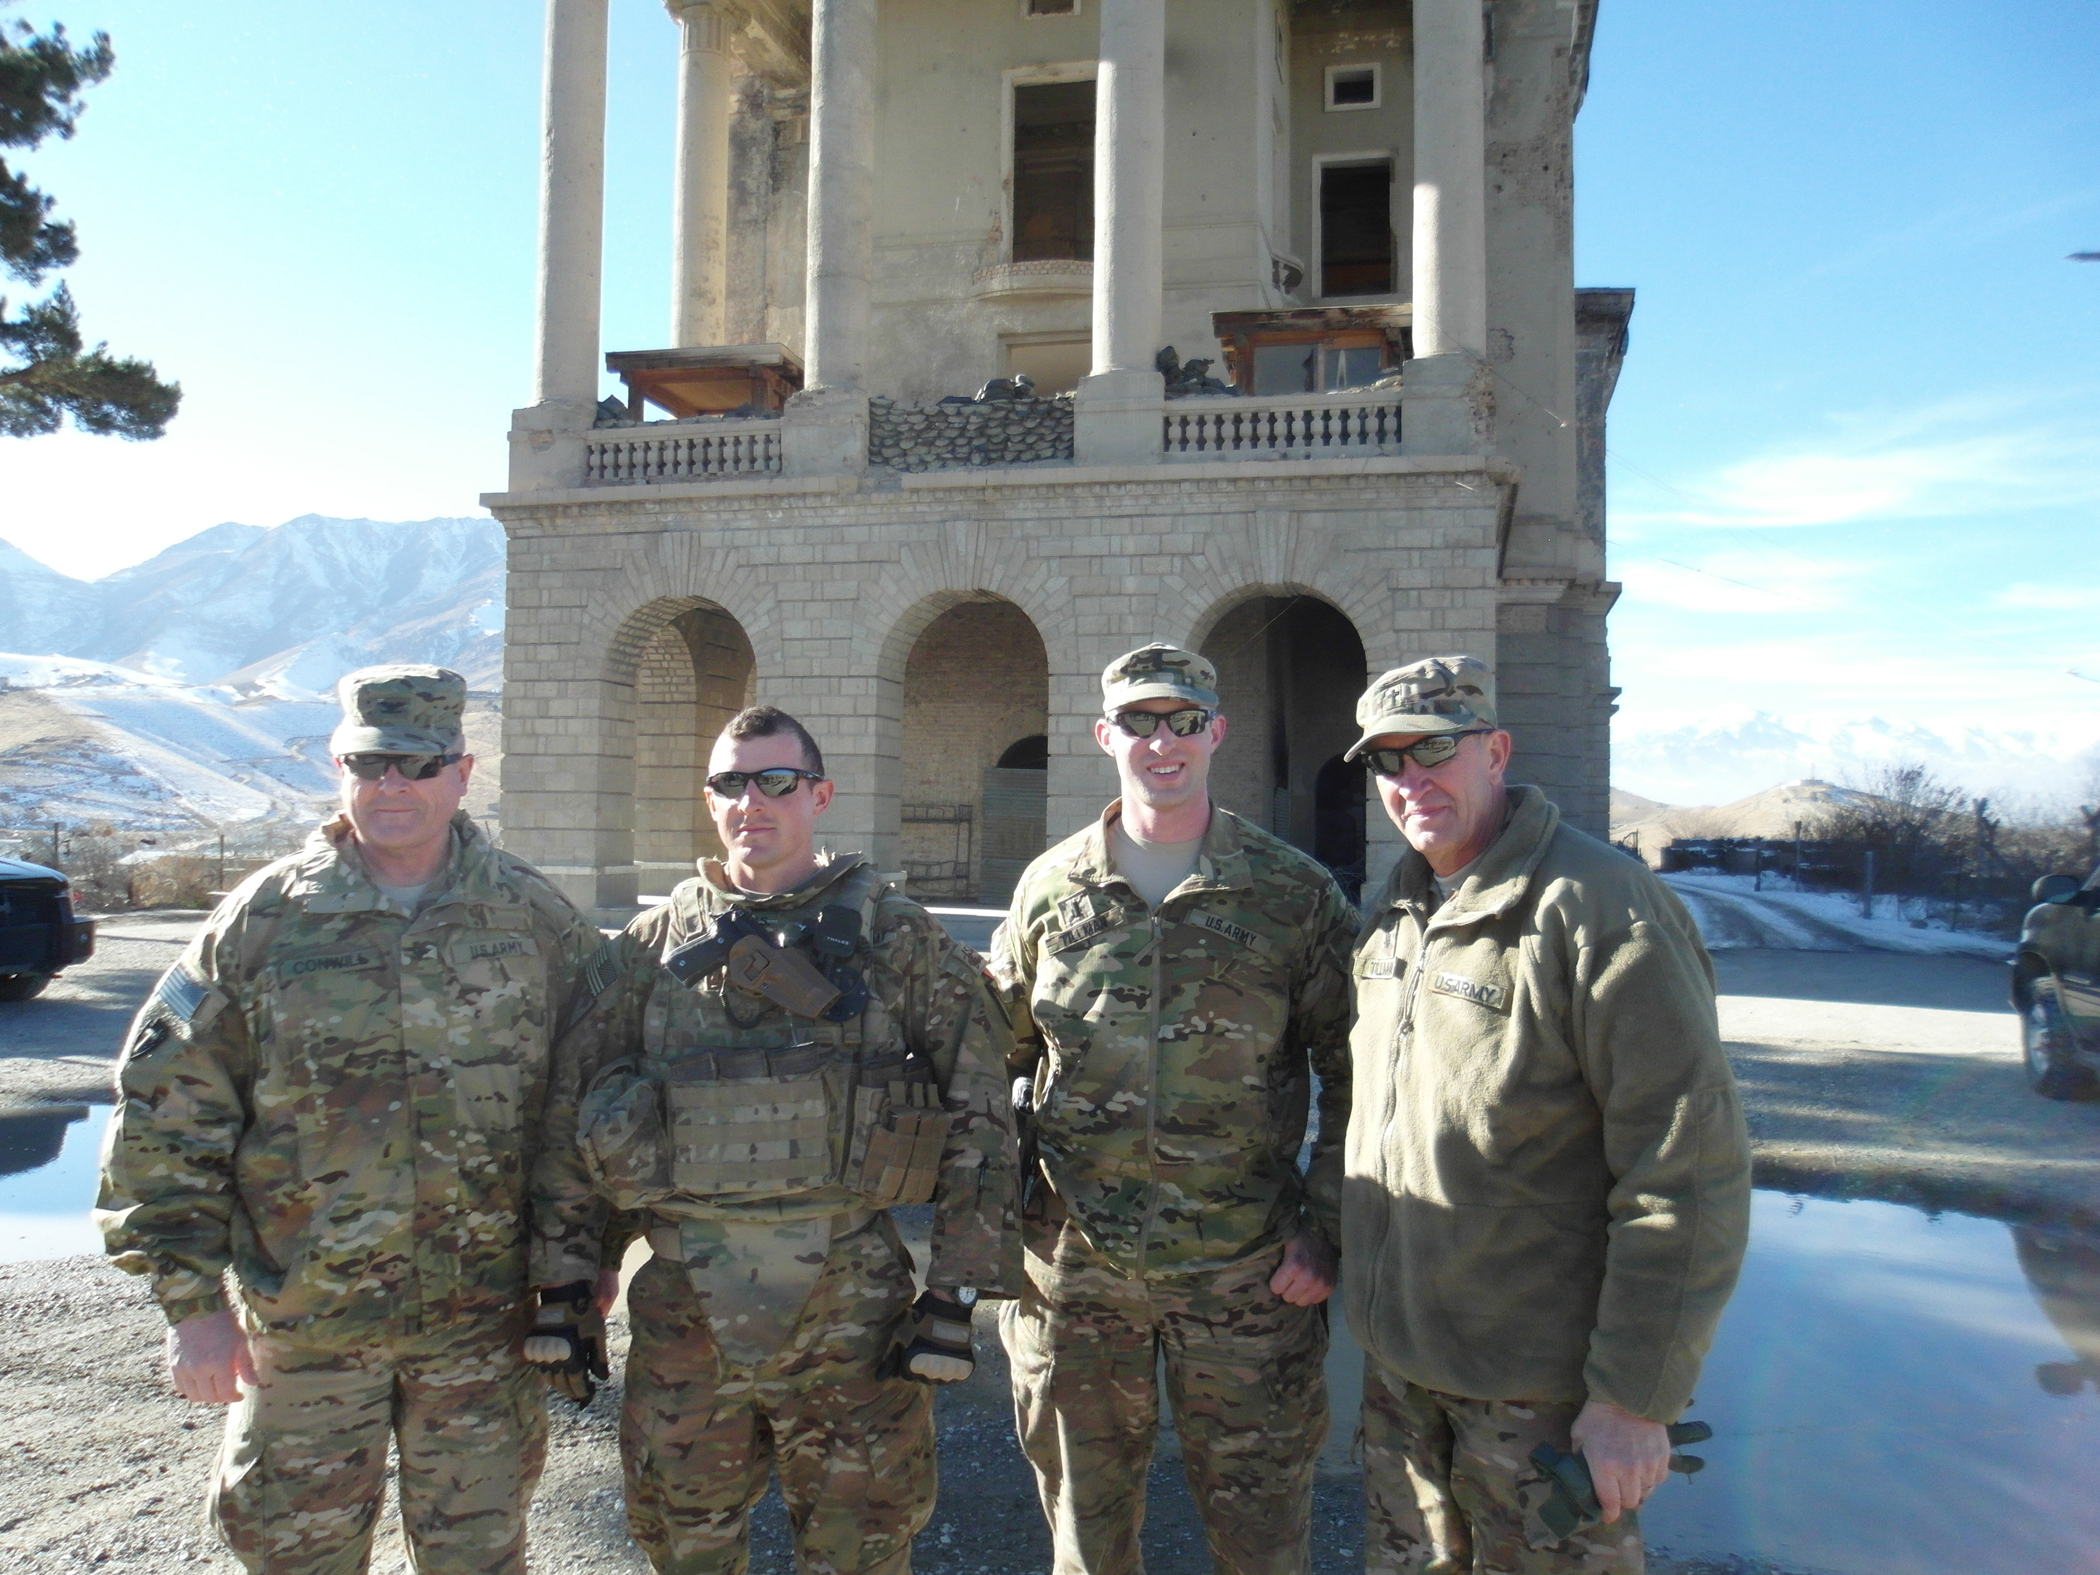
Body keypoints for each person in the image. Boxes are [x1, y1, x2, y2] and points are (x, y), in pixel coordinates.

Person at [96, 664, 607, 1575]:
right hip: (308, 1328)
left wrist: (588, 1259)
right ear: (339, 766)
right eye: (370, 763)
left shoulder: (532, 918)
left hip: (480, 1328)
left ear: (462, 771)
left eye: (418, 763)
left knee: (479, 1558)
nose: (391, 784)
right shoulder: (263, 923)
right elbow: (167, 1110)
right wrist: (193, 1306)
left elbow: (594, 1101)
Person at [530, 704, 1020, 1575]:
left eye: (776, 780)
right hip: (683, 1309)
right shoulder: (649, 946)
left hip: (853, 1311)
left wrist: (955, 1294)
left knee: (862, 1549)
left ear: (819, 795)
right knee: (683, 1544)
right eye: (730, 781)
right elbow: (576, 1114)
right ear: (709, 798)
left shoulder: (896, 937)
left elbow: (980, 1107)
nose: (751, 800)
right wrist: (566, 1280)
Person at [1339, 655, 1752, 1574]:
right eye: (1386, 761)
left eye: (1433, 749)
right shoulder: (1398, 907)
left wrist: (1634, 1397)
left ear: (1496, 751)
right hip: (1403, 1378)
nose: (1410, 779)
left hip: (1539, 1399)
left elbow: (1687, 1169)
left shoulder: (1601, 910)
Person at [989, 643, 1357, 1575]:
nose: (1163, 742)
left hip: (1246, 1275)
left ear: (1215, 732)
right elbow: (996, 1059)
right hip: (1076, 1277)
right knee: (1087, 1541)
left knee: (1262, 1539)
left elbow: (1354, 1068)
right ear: (1104, 735)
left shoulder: (1290, 892)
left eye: (1184, 721)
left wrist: (1328, 1226)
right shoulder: (1050, 889)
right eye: (1140, 722)